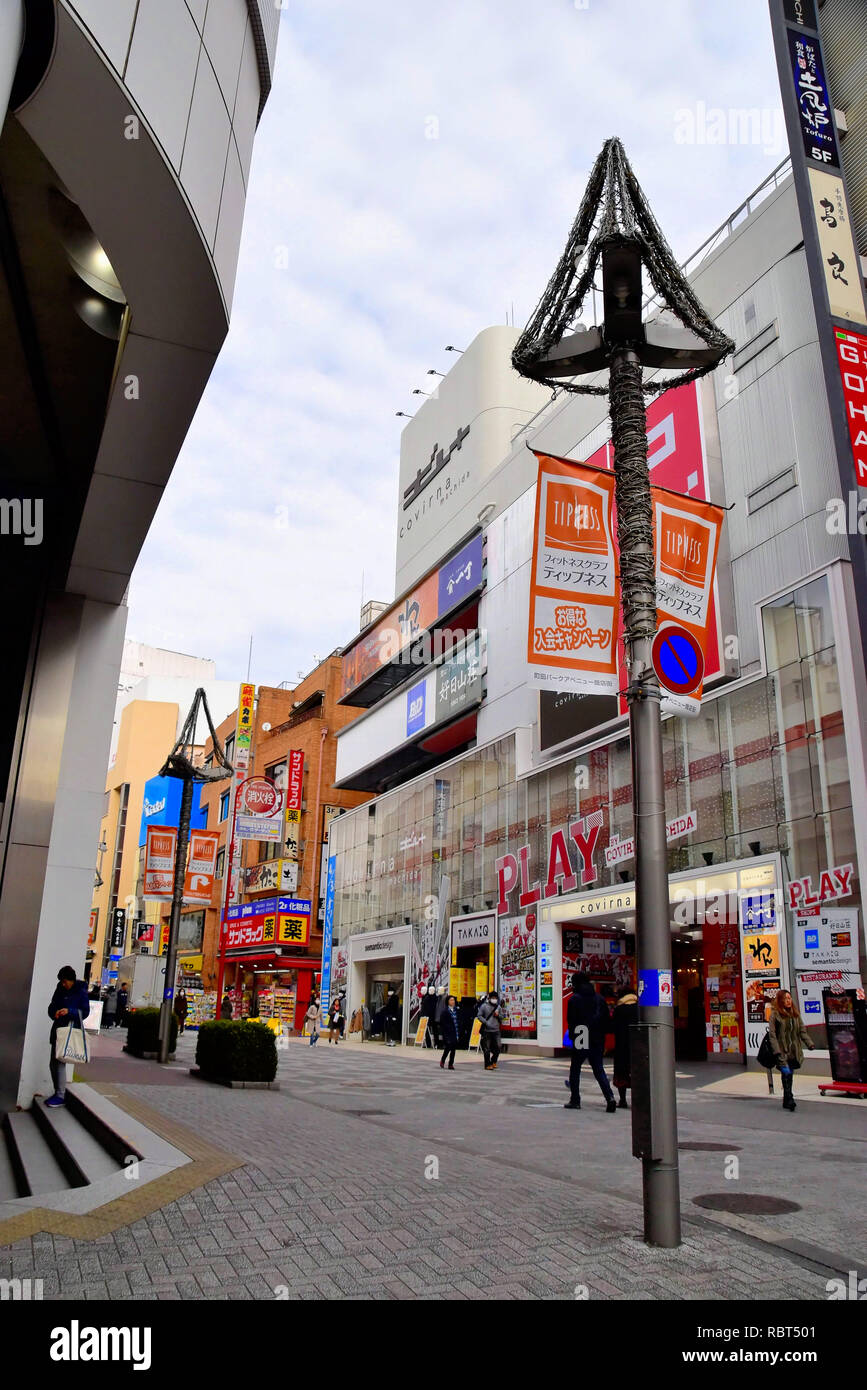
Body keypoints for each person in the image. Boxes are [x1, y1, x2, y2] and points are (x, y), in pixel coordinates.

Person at [564, 973, 617, 1112]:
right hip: (597, 1036)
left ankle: (575, 1099)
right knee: (598, 1069)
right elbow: (606, 1018)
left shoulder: (574, 999)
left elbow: (571, 1020)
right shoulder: (599, 998)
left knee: (575, 1068)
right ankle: (610, 1097)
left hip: (581, 1034)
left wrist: (573, 1035)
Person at [46, 966, 90, 1107]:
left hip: (70, 1030)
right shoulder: (60, 988)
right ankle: (58, 1092)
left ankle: (60, 1095)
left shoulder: (81, 991)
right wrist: (55, 1012)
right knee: (53, 1063)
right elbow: (52, 1005)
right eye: (62, 982)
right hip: (58, 1030)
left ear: (71, 980)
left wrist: (69, 1011)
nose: (63, 984)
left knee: (59, 1062)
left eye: (65, 982)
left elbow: (85, 1012)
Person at [768, 989, 815, 1111]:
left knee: (790, 1074)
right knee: (786, 1073)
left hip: (794, 1050)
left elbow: (802, 1031)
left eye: (789, 998)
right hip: (782, 1051)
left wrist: (809, 1043)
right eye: (785, 999)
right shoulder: (775, 1015)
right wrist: (776, 1050)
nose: (788, 1001)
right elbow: (772, 1035)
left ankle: (786, 1099)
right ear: (780, 1001)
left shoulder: (795, 1014)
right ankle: (790, 1098)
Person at [612, 984, 639, 1109]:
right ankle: (639, 1100)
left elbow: (613, 1026)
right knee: (638, 1072)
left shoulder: (619, 1009)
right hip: (638, 1045)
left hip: (622, 1046)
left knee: (621, 1073)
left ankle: (622, 1100)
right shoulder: (640, 1008)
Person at [477, 991, 502, 1070]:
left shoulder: (498, 1007)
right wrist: (486, 1022)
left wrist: (498, 1016)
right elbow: (479, 1015)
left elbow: (502, 1017)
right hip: (487, 1030)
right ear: (489, 998)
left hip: (496, 1030)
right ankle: (487, 1064)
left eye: (495, 998)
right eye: (493, 998)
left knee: (498, 1046)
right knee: (487, 1048)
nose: (494, 1000)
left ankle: (493, 1061)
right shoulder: (484, 1006)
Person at [439, 994, 459, 1071]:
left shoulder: (456, 1010)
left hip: (455, 1031)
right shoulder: (445, 1011)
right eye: (451, 1000)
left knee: (453, 1049)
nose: (453, 1001)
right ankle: (443, 1060)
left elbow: (458, 1020)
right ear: (447, 1002)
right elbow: (442, 1023)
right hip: (448, 1032)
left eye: (453, 1000)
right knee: (448, 1047)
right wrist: (445, 1032)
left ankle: (451, 1064)